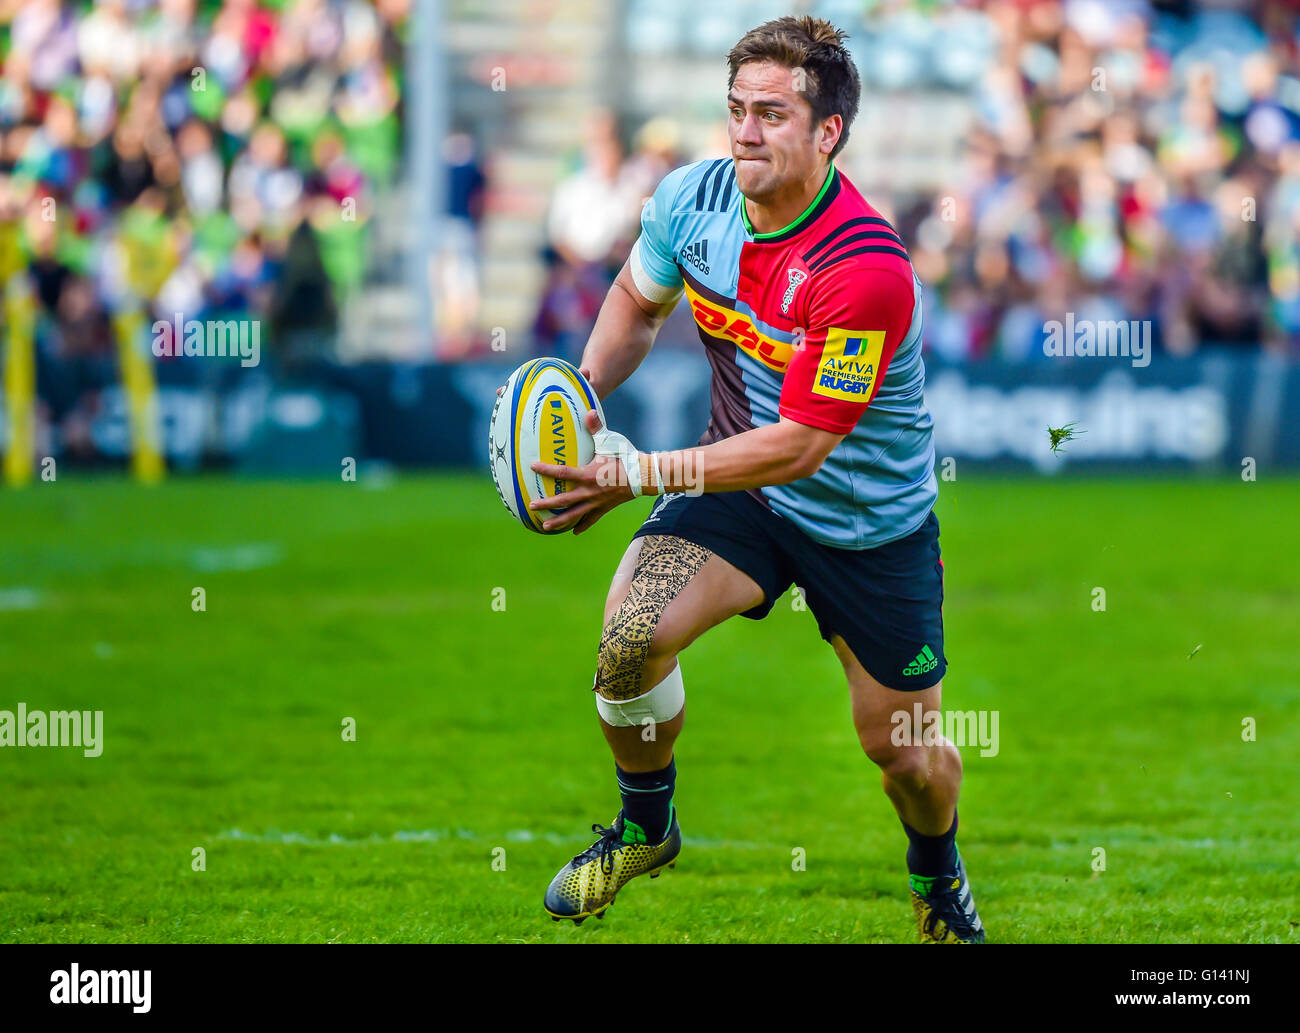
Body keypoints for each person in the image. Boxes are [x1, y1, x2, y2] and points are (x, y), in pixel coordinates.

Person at [524, 16, 984, 943]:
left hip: (869, 526)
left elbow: (804, 444)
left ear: (828, 133)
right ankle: (647, 827)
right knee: (628, 638)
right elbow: (633, 301)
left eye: (771, 115)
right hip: (741, 490)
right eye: (735, 109)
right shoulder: (689, 202)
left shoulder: (865, 269)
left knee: (906, 758)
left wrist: (637, 469)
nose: (743, 131)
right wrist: (577, 398)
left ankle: (937, 873)